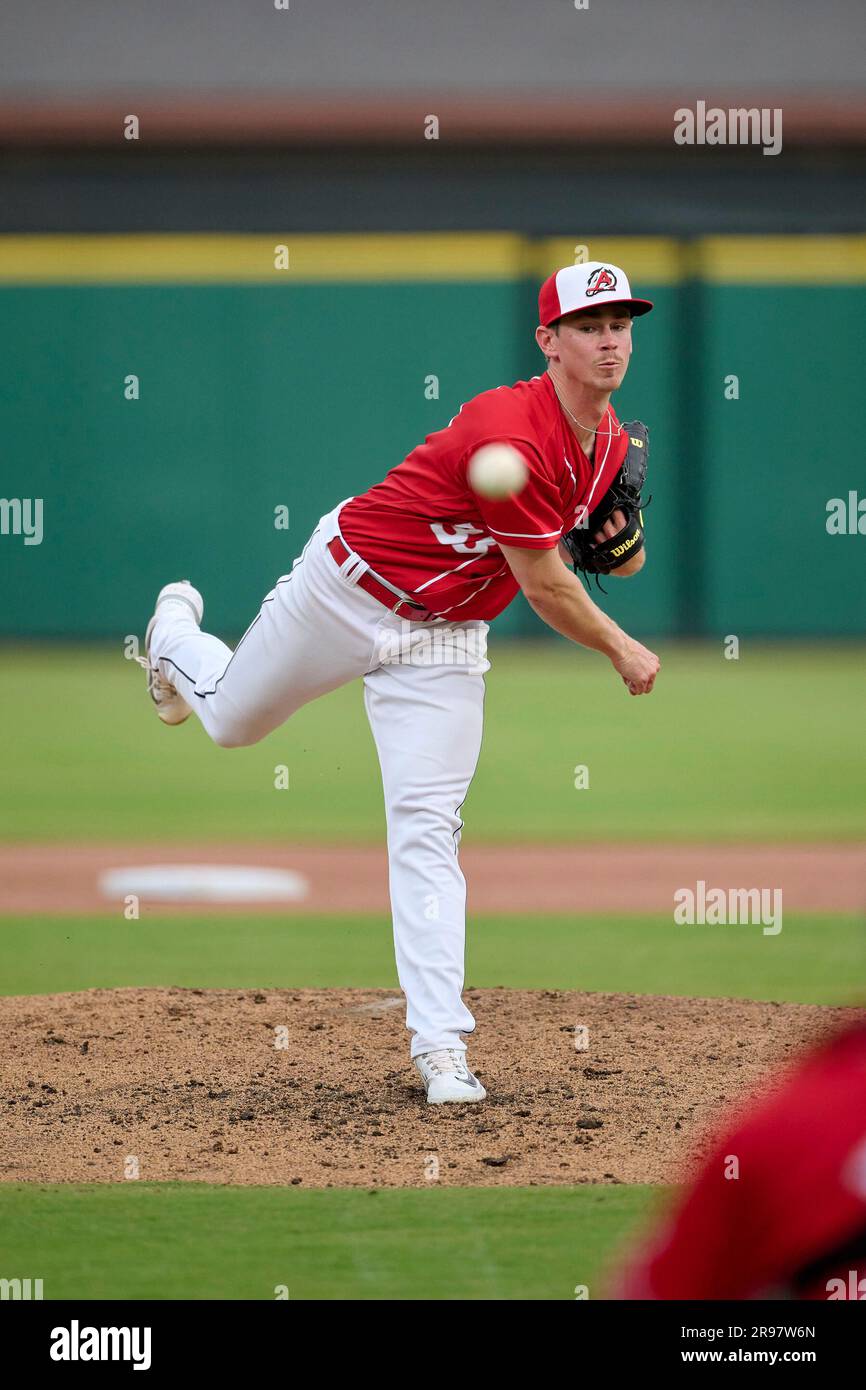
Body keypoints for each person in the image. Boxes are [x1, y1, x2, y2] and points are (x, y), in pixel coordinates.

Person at [140, 261, 660, 1105]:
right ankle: (171, 637)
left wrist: (620, 541)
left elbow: (614, 559)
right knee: (233, 722)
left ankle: (441, 1047)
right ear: (548, 341)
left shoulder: (607, 444)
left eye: (621, 324)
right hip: (347, 595)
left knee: (427, 830)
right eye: (589, 325)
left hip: (446, 640)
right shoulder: (511, 431)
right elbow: (545, 584)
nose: (609, 340)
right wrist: (622, 649)